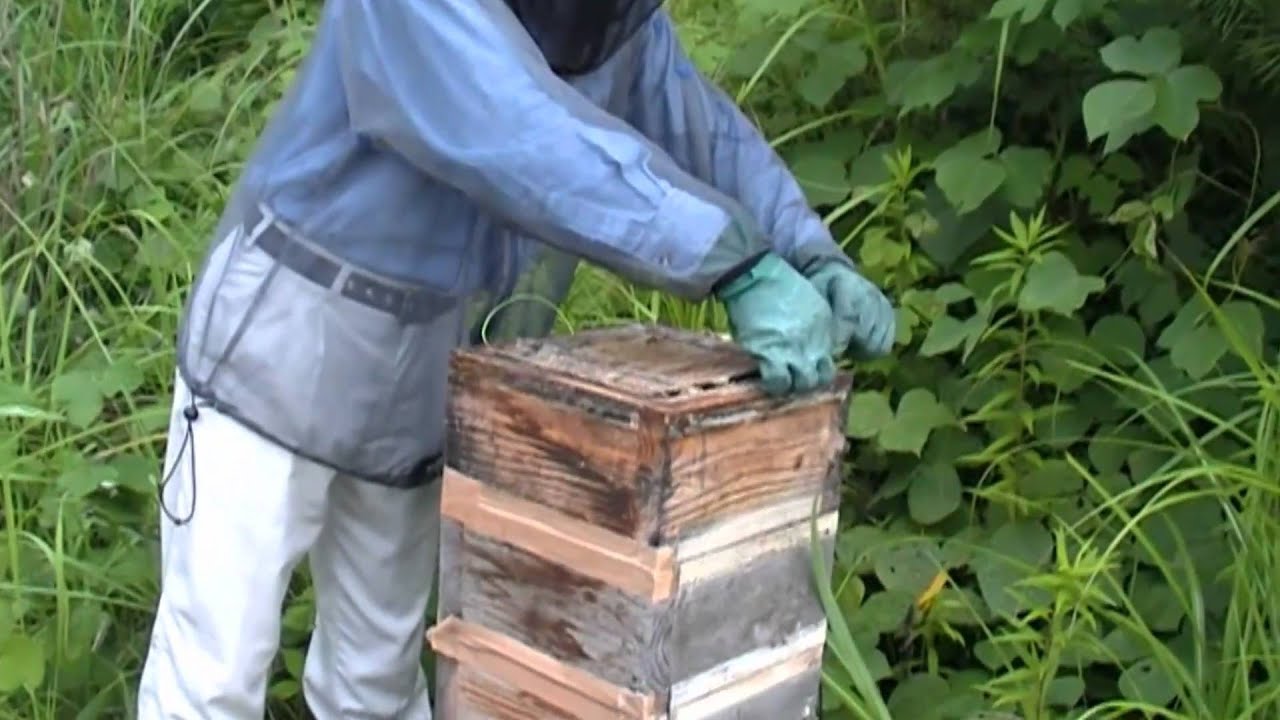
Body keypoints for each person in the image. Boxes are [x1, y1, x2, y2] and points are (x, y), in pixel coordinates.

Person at [134, 0, 896, 717]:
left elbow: (696, 125)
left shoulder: (608, 19)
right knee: (214, 669)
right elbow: (510, 128)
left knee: (375, 676)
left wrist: (807, 252)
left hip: (424, 372)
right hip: (284, 339)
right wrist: (732, 261)